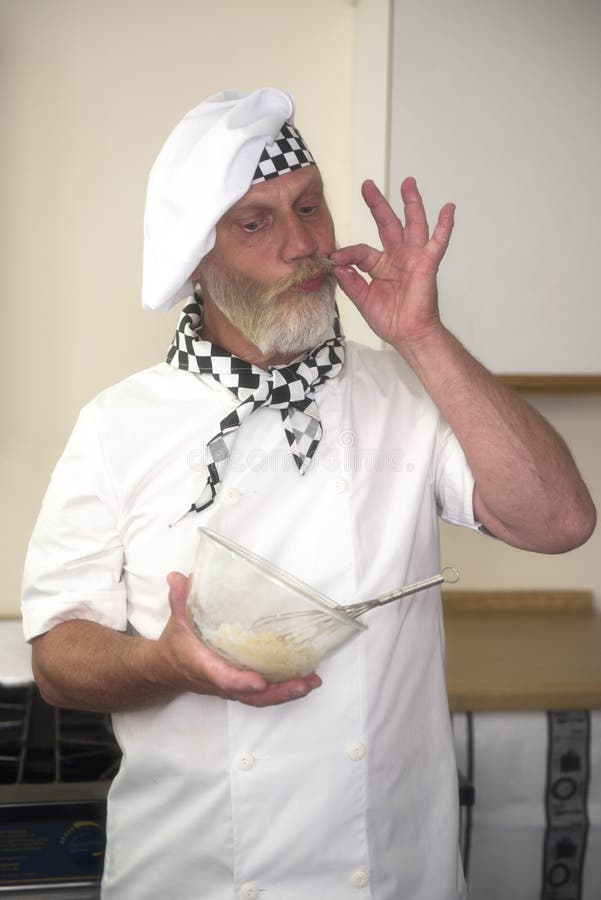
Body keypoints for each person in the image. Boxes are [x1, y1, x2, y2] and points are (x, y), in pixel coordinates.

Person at [22, 88, 595, 900]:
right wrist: (167, 664)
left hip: (392, 875)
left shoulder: (407, 391)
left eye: (310, 207)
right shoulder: (118, 424)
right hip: (194, 876)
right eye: (254, 223)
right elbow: (56, 658)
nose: (301, 245)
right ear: (195, 256)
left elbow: (560, 522)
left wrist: (423, 340)